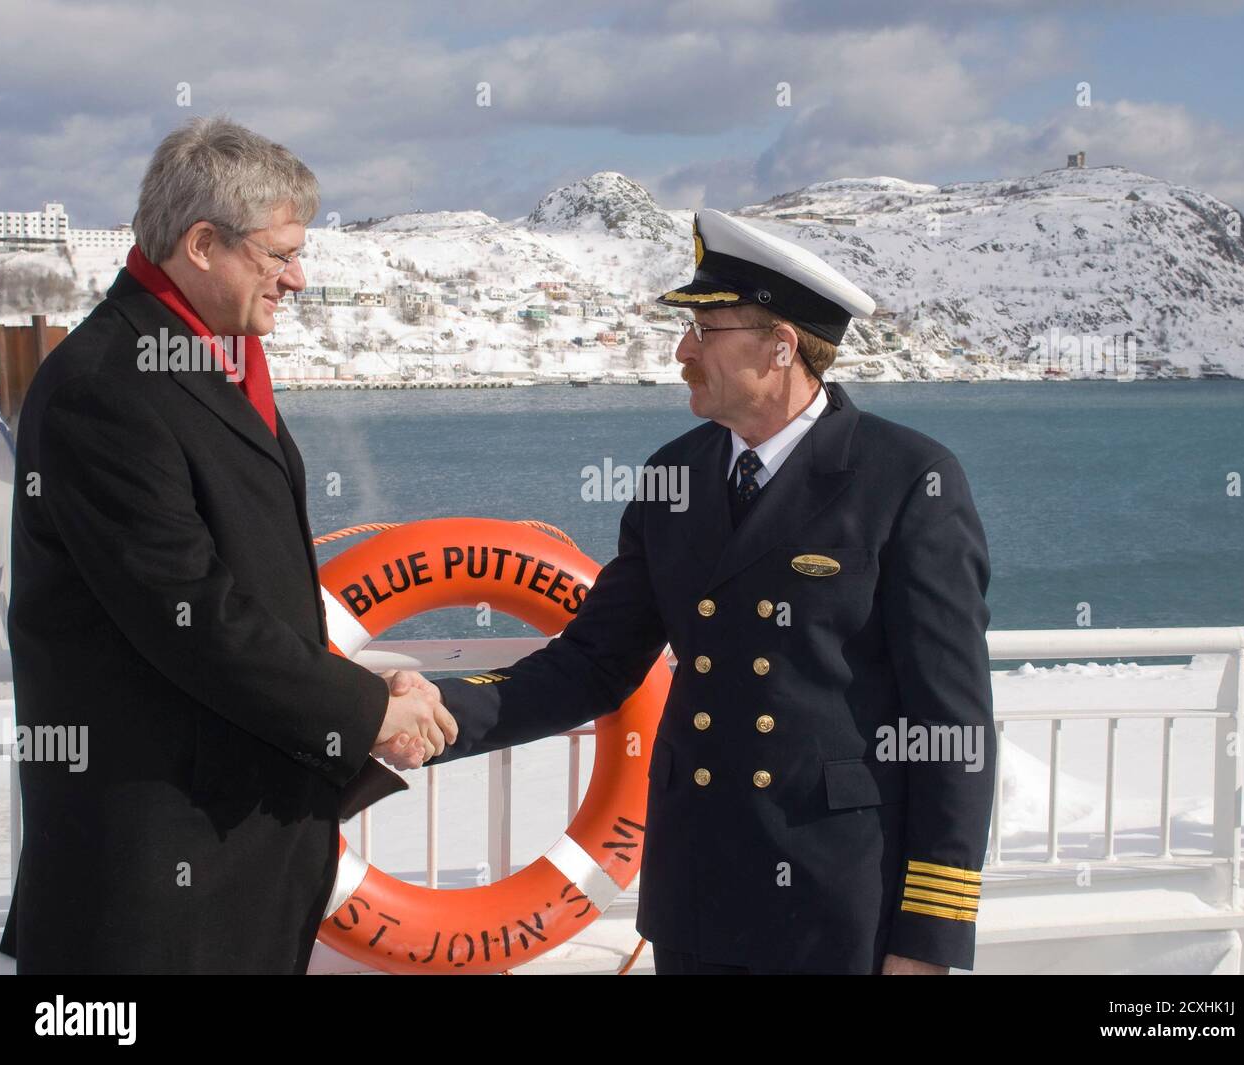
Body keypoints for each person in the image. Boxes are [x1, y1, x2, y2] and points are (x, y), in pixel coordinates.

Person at [418, 209, 997, 974]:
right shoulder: (673, 476)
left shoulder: (905, 479)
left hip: (836, 903)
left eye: (706, 330)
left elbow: (949, 724)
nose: (681, 353)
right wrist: (436, 711)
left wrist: (927, 938)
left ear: (781, 345)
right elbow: (592, 662)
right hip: (697, 893)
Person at [0, 116, 453, 974]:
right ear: (202, 243)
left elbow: (252, 588)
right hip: (153, 886)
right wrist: (365, 712)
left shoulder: (208, 360)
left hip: (235, 863)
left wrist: (358, 690)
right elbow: (191, 614)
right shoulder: (107, 387)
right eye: (278, 254)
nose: (298, 276)